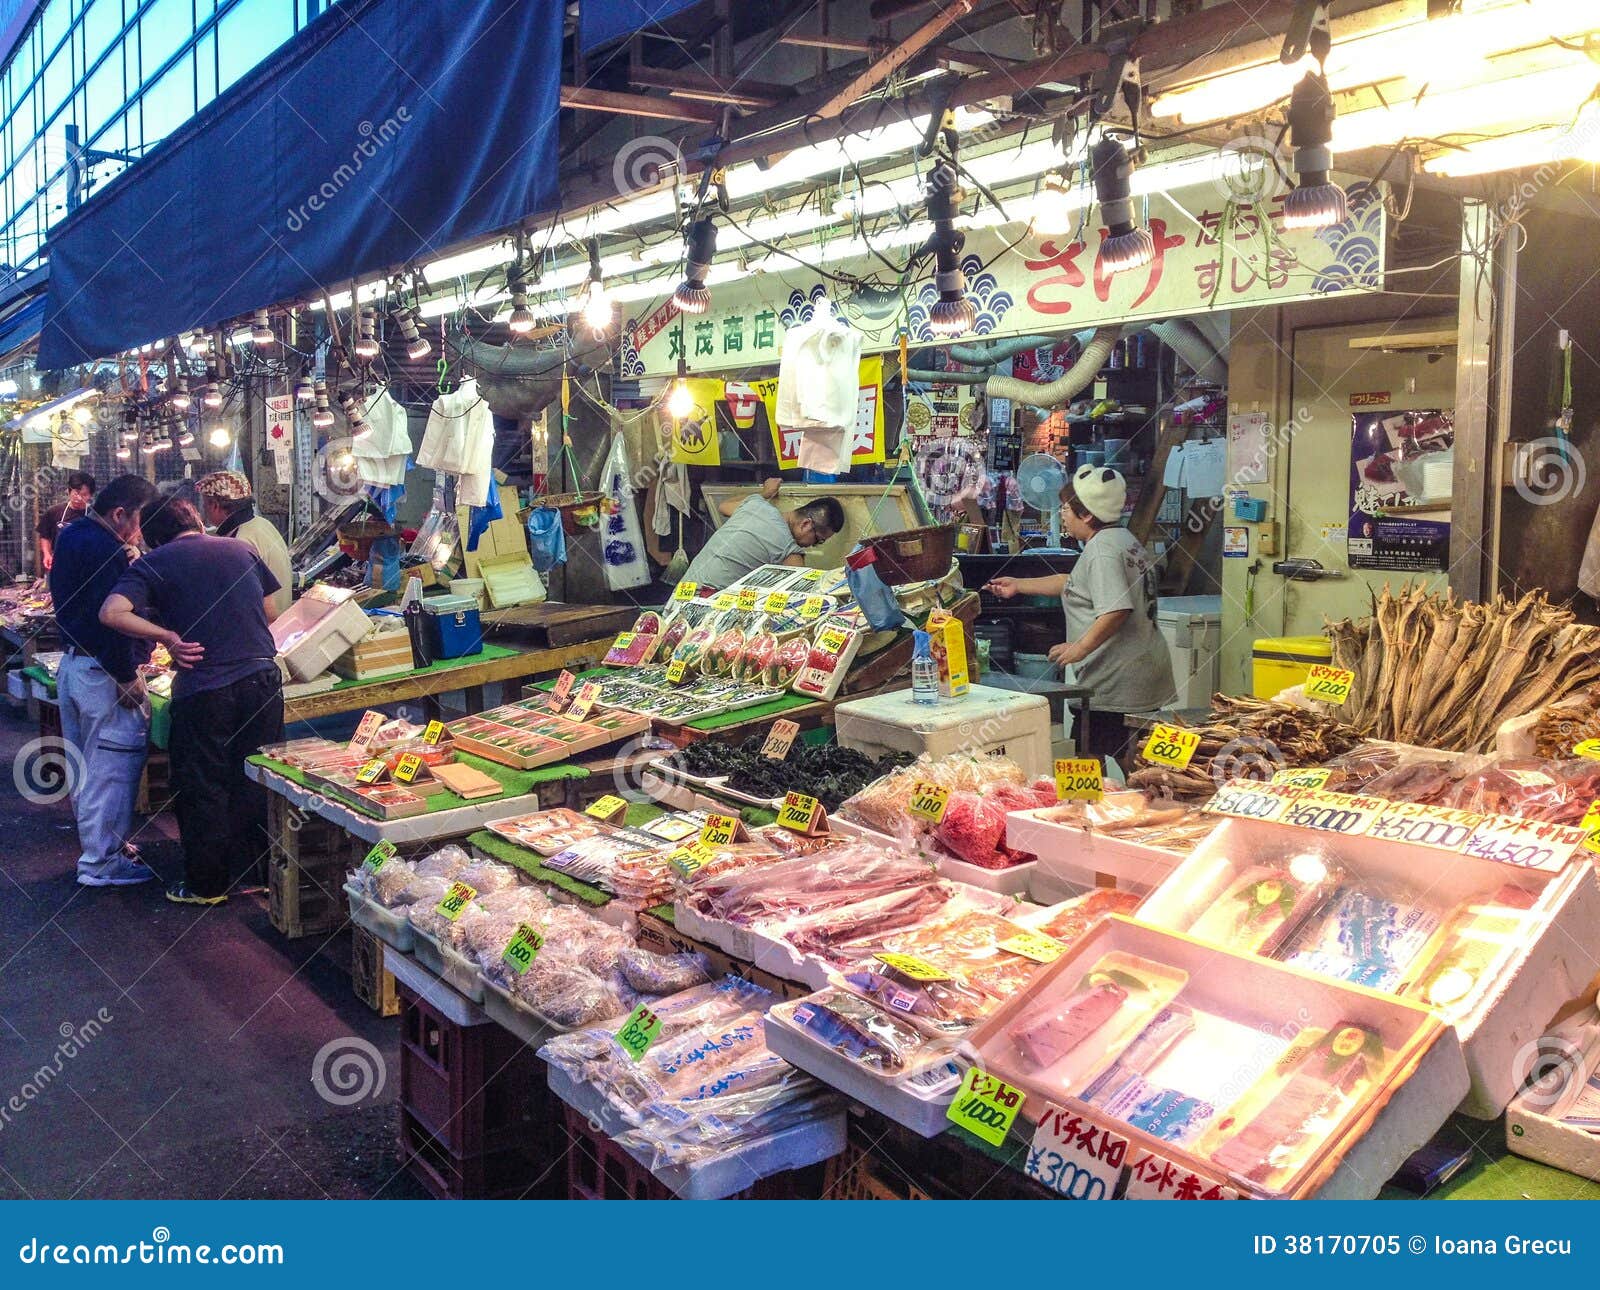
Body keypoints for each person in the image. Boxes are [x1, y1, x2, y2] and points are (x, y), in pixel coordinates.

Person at [99, 497, 284, 906]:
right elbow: (271, 611)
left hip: (206, 689)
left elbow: (111, 612)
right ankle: (265, 876)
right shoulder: (242, 548)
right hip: (263, 682)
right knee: (257, 778)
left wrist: (169, 637)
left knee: (203, 784)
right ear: (197, 519)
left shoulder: (154, 561)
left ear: (152, 535)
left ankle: (208, 886)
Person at [985, 465, 1176, 765]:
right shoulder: (1121, 538)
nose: (1062, 514)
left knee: (1095, 761)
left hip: (1116, 684)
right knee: (1132, 762)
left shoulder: (1101, 550)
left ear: (1086, 514)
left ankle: (1092, 811)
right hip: (1142, 673)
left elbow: (1116, 609)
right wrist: (1019, 585)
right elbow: (1073, 584)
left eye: (1066, 509)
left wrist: (1079, 648)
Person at [47, 474, 161, 887]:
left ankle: (101, 846)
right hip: (103, 672)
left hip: (76, 666)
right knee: (112, 769)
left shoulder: (73, 534)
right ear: (118, 514)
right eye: (139, 521)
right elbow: (111, 620)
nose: (141, 532)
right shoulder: (105, 550)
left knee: (89, 768)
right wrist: (126, 673)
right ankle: (100, 864)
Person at [681, 478, 843, 589]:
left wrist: (764, 493)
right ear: (806, 524)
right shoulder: (790, 550)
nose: (812, 546)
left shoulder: (755, 505)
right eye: (818, 541)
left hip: (681, 592)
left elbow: (724, 505)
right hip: (706, 612)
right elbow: (804, 590)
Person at [194, 469, 293, 619]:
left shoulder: (239, 544)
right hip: (282, 621)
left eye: (205, 504)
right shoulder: (262, 524)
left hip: (266, 628)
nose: (203, 510)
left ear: (214, 505)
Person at [36, 471, 95, 572]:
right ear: (68, 491)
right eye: (76, 493)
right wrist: (47, 554)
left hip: (87, 565)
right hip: (60, 564)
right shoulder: (54, 512)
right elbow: (45, 536)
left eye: (84, 494)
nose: (78, 498)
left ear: (90, 495)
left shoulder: (95, 515)